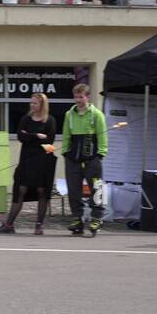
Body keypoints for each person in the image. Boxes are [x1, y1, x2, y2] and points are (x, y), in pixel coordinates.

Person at [0, 93, 57, 235]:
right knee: (20, 189)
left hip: (42, 161)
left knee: (42, 191)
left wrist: (31, 137)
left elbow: (49, 142)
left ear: (42, 105)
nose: (32, 105)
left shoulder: (50, 121)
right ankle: (9, 225)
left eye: (35, 103)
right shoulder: (26, 119)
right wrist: (36, 136)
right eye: (31, 103)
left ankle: (39, 225)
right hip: (26, 159)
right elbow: (20, 137)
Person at [61, 83, 108, 237]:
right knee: (73, 190)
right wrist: (65, 152)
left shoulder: (97, 115)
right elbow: (66, 136)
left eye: (81, 97)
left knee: (97, 188)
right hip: (73, 159)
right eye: (76, 96)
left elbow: (102, 136)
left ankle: (96, 218)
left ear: (87, 97)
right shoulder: (69, 114)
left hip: (92, 159)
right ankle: (77, 219)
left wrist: (100, 154)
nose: (78, 100)